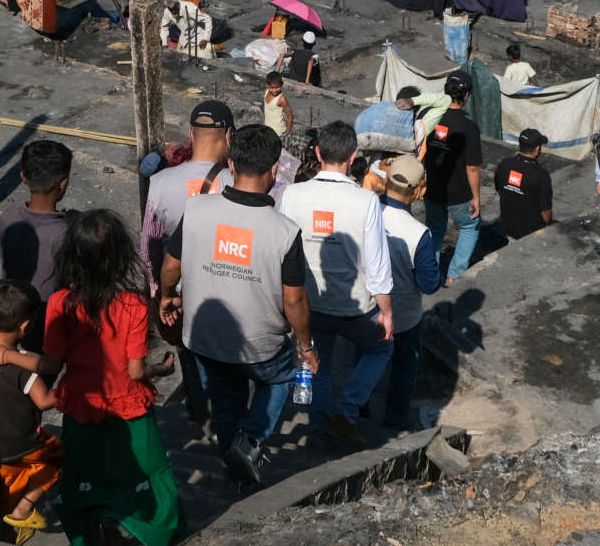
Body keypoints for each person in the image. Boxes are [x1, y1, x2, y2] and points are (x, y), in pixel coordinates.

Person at [12, 210, 184, 546]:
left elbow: (50, 363)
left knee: (86, 474)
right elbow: (135, 371)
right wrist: (162, 370)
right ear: (121, 258)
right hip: (128, 407)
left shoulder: (61, 303)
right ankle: (147, 524)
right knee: (147, 471)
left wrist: (10, 356)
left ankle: (98, 521)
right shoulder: (133, 304)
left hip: (82, 405)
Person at [158, 124, 318, 485]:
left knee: (227, 399)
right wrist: (306, 346)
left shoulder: (197, 208)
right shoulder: (284, 232)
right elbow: (294, 301)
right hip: (261, 344)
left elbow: (170, 265)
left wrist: (168, 296)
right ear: (275, 169)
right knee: (283, 376)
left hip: (207, 338)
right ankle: (251, 441)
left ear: (230, 164)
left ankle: (236, 466)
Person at [276, 122, 394, 448]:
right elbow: (377, 264)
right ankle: (346, 411)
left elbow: (282, 251)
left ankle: (318, 432)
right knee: (382, 347)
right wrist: (386, 310)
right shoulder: (366, 201)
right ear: (353, 156)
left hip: (309, 303)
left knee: (319, 365)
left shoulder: (293, 195)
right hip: (353, 305)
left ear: (317, 152)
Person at [140, 100, 235, 422]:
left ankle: (199, 410)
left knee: (187, 348)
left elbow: (149, 245)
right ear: (229, 135)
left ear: (191, 135)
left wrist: (158, 290)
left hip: (176, 287)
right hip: (223, 287)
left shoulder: (160, 183)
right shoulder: (233, 184)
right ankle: (223, 414)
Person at [0, 281, 62, 543]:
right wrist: (73, 390)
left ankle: (9, 528)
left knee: (4, 491)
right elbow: (43, 401)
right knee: (59, 454)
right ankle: (24, 508)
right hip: (24, 444)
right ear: (25, 326)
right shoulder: (24, 364)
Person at [376, 155, 439, 430]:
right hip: (404, 316)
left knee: (364, 358)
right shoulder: (419, 233)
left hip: (367, 308)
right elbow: (429, 284)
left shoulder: (367, 211)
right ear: (418, 190)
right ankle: (394, 421)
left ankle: (357, 410)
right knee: (404, 368)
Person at [0, 140, 74, 351]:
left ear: (22, 177)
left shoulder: (8, 217)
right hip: (48, 323)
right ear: (63, 184)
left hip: (11, 314)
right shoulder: (64, 233)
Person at [422, 71, 483, 283]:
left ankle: (431, 274)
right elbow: (472, 167)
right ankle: (454, 276)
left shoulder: (429, 114)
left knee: (435, 229)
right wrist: (476, 197)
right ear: (466, 95)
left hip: (432, 187)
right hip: (458, 192)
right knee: (470, 226)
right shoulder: (469, 127)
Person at [492, 128, 553, 240]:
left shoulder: (505, 164)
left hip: (509, 227)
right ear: (537, 149)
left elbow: (499, 189)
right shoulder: (541, 175)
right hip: (531, 234)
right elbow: (546, 212)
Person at [261, 72, 294, 136]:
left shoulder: (281, 99)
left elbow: (290, 116)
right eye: (272, 88)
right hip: (267, 129)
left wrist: (287, 133)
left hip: (278, 132)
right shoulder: (266, 92)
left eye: (277, 87)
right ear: (267, 85)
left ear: (281, 85)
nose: (275, 90)